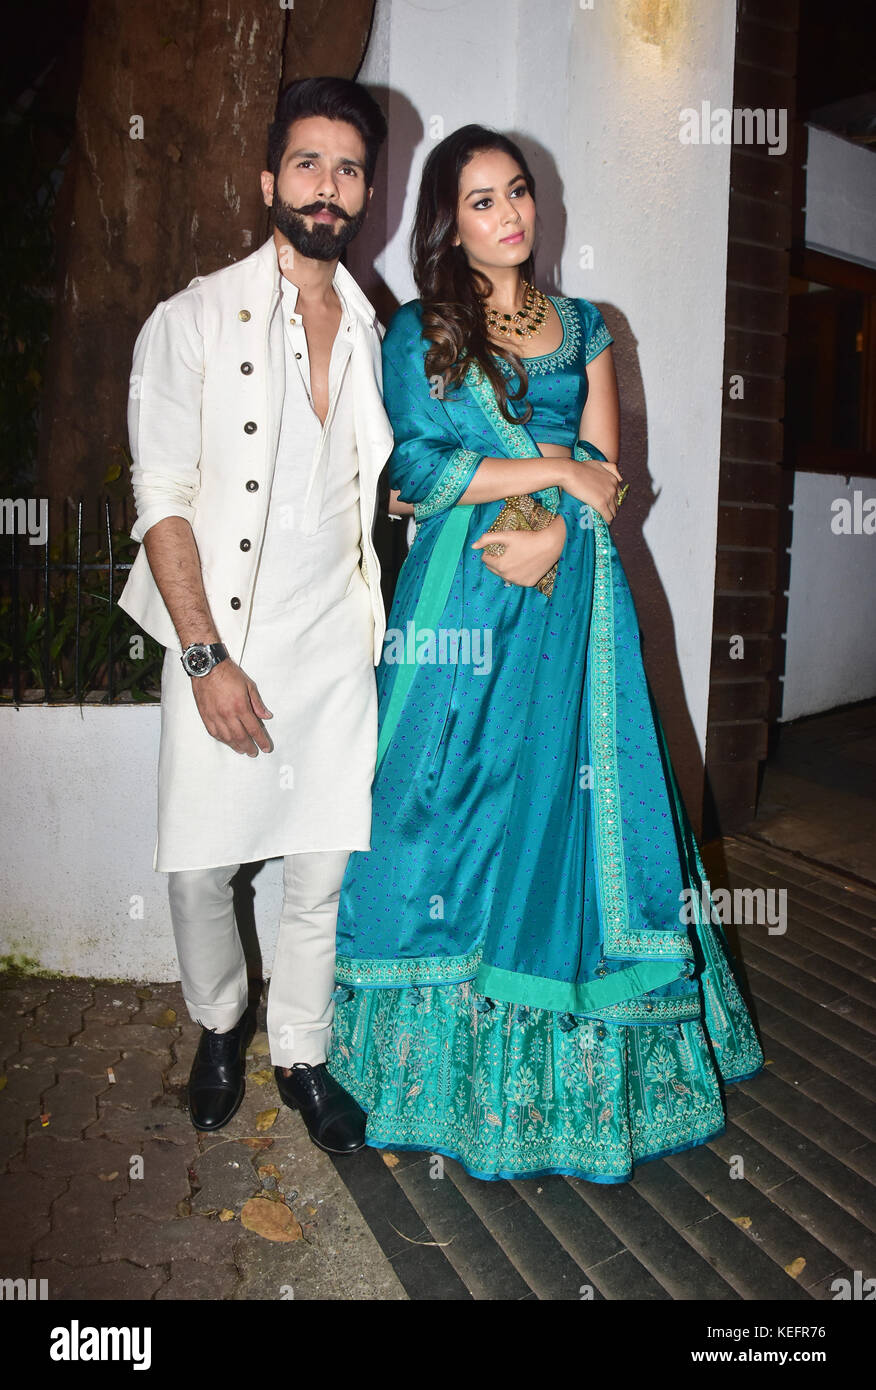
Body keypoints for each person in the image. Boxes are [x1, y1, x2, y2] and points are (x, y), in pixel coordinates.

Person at [326, 125, 765, 1183]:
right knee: (428, 803)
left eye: (516, 191)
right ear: (450, 223)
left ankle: (569, 1058)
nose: (509, 213)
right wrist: (555, 474)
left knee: (562, 819)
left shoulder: (585, 327)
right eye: (481, 201)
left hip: (570, 597)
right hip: (458, 596)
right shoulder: (423, 330)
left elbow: (614, 474)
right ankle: (408, 1062)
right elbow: (417, 464)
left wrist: (564, 518)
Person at [118, 77, 393, 1154]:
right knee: (198, 869)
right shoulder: (190, 318)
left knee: (321, 866)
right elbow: (163, 498)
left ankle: (302, 1052)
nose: (328, 187)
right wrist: (202, 655)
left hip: (333, 638)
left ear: (369, 190)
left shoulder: (376, 330)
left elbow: (379, 481)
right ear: (269, 179)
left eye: (350, 168)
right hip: (219, 635)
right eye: (310, 163)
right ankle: (222, 1024)